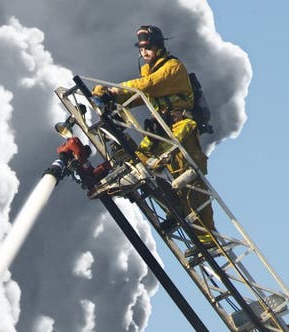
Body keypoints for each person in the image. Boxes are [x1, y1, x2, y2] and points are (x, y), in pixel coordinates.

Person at [92, 25, 215, 244]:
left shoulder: (173, 68)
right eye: (141, 48)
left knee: (189, 183)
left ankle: (207, 239)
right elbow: (139, 96)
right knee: (140, 166)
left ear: (158, 46)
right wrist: (112, 98)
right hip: (160, 131)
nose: (144, 52)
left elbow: (148, 86)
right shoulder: (149, 72)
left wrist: (113, 90)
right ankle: (172, 210)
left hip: (180, 129)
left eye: (148, 47)